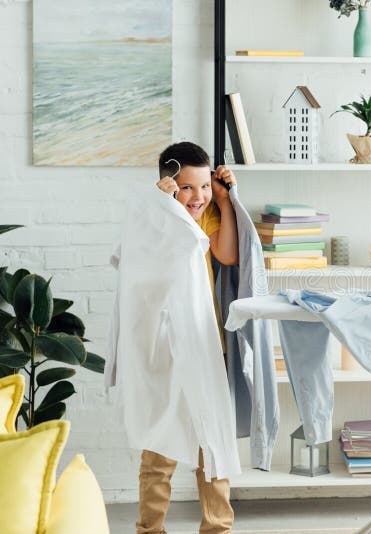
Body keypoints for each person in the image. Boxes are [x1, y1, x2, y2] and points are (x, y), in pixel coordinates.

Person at [137, 141, 238, 533]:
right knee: (160, 448)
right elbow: (146, 265)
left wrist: (225, 202)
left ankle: (217, 527)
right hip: (166, 346)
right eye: (186, 188)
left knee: (212, 444)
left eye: (204, 187)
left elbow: (227, 255)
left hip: (204, 341)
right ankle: (150, 528)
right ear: (167, 184)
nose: (197, 197)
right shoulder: (152, 217)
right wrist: (160, 209)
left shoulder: (208, 212)